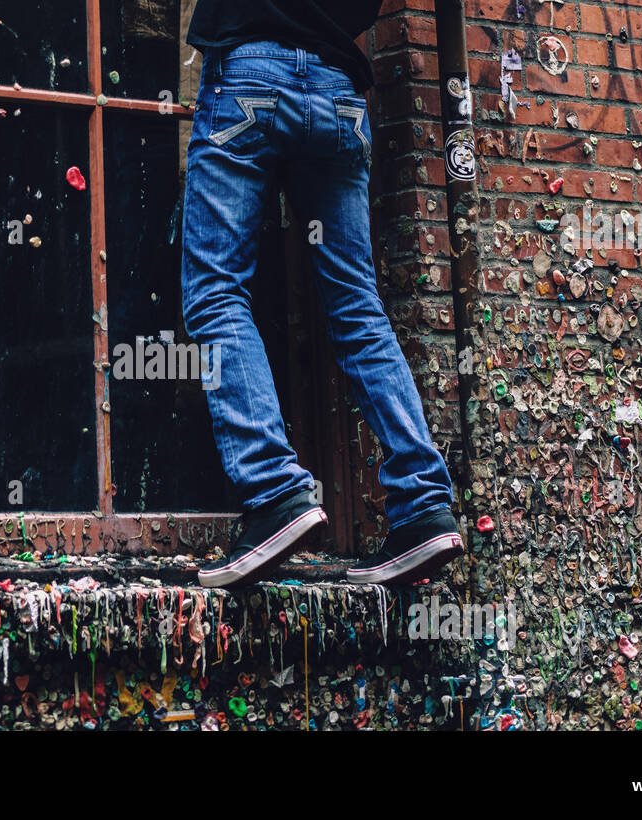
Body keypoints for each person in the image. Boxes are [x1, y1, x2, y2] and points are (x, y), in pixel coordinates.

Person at [184, 0, 463, 588]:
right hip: (337, 90)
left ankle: (274, 490)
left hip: (249, 76)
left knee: (216, 291)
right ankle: (423, 502)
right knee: (358, 306)